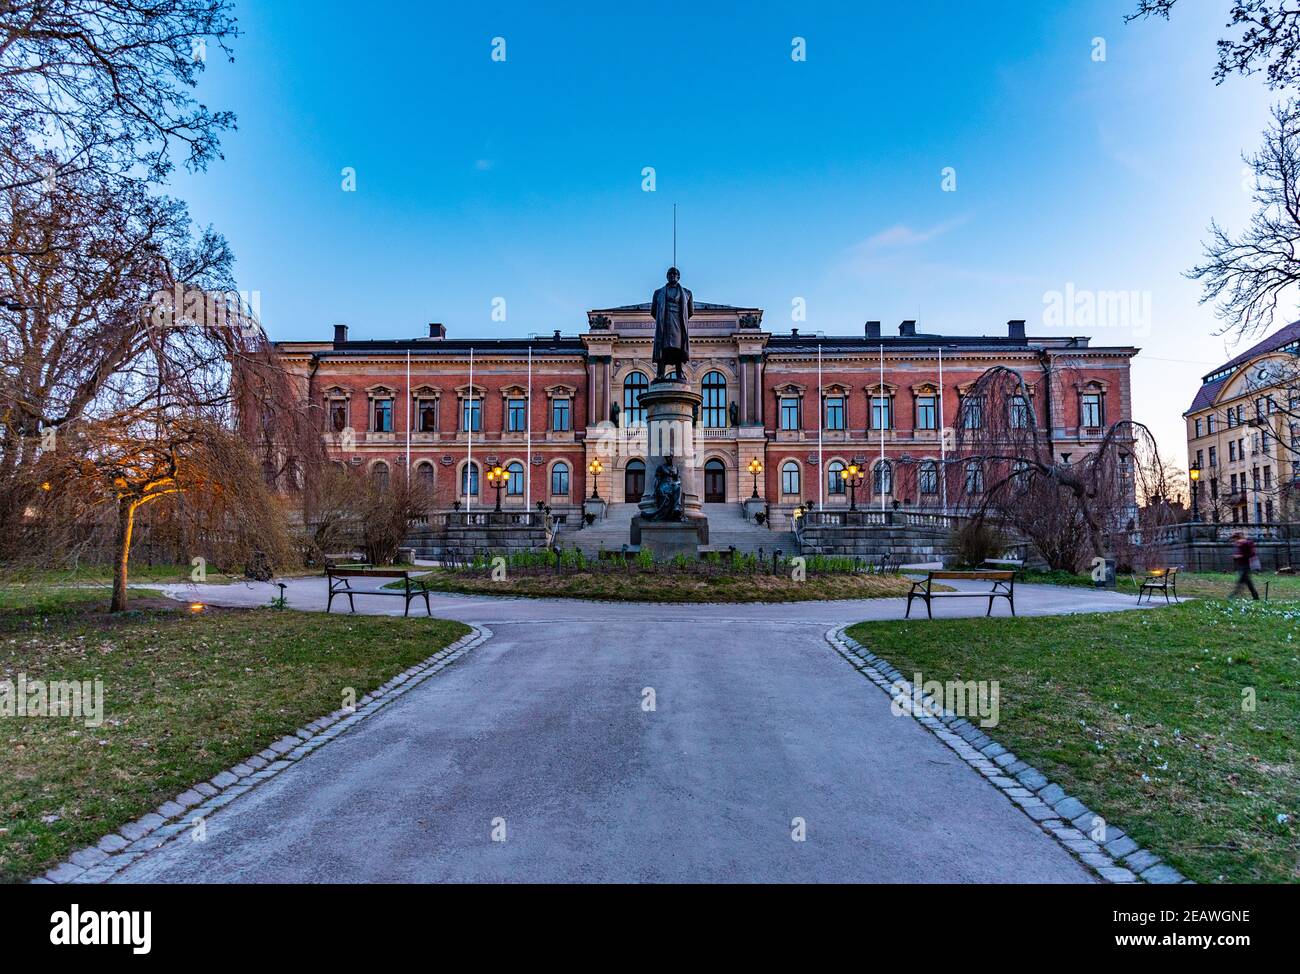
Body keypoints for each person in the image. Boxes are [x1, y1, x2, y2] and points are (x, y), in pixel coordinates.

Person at [1231, 531, 1260, 600]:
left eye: (1234, 538)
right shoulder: (1243, 544)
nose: (1233, 540)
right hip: (1244, 565)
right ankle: (1255, 596)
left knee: (1241, 581)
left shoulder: (1243, 544)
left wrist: (1238, 556)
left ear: (1236, 538)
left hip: (1245, 565)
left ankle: (1233, 596)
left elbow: (1246, 555)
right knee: (1248, 582)